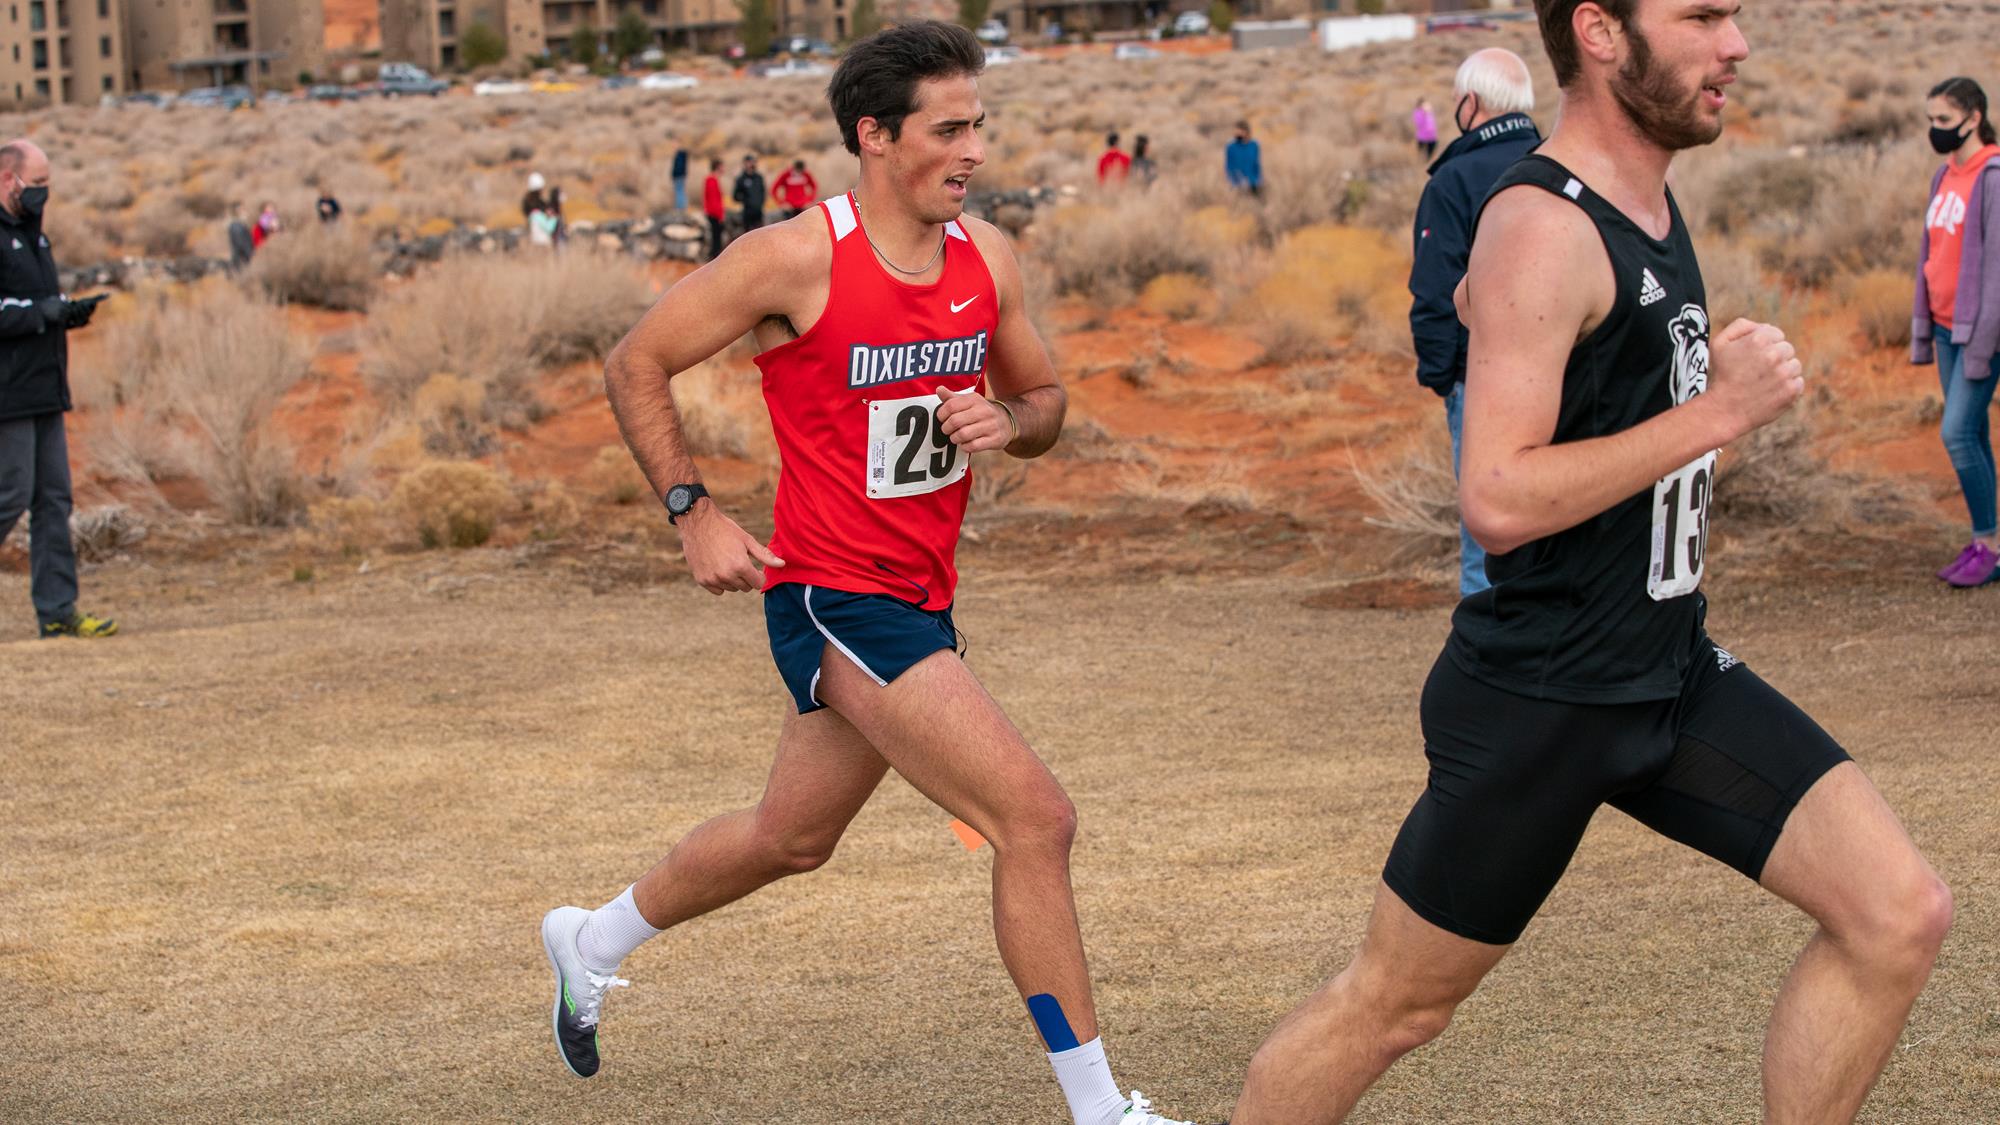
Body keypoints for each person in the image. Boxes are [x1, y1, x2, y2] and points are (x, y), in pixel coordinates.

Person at [1233, 3, 1952, 1122]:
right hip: (1542, 700)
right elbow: (1497, 496)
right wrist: (1717, 414)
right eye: (1701, 16)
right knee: (1392, 1008)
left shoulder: (1638, 202)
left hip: (1669, 673)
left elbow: (1520, 326)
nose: (1735, 45)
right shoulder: (1542, 221)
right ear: (1600, 33)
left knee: (1895, 914)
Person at [542, 22, 1194, 1125]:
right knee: (1034, 821)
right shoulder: (796, 258)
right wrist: (691, 510)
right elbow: (635, 359)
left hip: (920, 595)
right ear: (874, 135)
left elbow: (1044, 403)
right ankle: (1101, 1113)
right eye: (948, 128)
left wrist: (1009, 419)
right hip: (831, 594)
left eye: (978, 124)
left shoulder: (986, 256)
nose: (972, 148)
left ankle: (589, 936)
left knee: (788, 838)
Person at [1408, 48, 1541, 598]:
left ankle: (1483, 674)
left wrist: (1442, 374)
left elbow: (1436, 287)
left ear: (1472, 103)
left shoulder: (1454, 179)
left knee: (1485, 534)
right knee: (1552, 524)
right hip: (1570, 374)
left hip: (1481, 379)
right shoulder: (1562, 164)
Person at [0, 140, 115, 639]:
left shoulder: (34, 236)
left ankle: (58, 610)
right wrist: (43, 313)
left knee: (53, 499)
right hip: (8, 392)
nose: (45, 192)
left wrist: (65, 312)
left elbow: (34, 302)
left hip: (45, 386)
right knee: (10, 496)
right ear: (10, 179)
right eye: (39, 182)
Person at [1912, 76, 2000, 587]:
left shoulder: (1992, 177)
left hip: (1977, 331)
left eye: (1944, 121)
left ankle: (1987, 543)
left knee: (1957, 434)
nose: (1936, 130)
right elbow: (1933, 251)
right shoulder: (1945, 175)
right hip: (1945, 327)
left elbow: (1995, 272)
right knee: (1974, 434)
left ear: (1973, 117)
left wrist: (1982, 342)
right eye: (1931, 121)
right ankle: (1986, 541)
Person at [1225, 119, 1261, 196]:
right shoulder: (1231, 146)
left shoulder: (1254, 145)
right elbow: (1229, 166)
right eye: (1235, 131)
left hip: (1253, 183)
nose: (1236, 133)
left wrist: (1258, 180)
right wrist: (1233, 182)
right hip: (1237, 184)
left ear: (1246, 131)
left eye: (1239, 130)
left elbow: (1256, 164)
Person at [732, 153, 766, 233]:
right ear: (745, 163)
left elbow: (762, 192)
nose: (752, 164)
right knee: (747, 234)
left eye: (754, 162)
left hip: (759, 212)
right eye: (750, 162)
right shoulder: (741, 179)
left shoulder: (759, 177)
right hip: (747, 213)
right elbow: (735, 196)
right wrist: (746, 200)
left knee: (760, 233)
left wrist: (761, 202)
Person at [702, 157, 726, 260]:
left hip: (713, 213)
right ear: (718, 167)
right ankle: (714, 259)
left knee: (716, 238)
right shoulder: (711, 180)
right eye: (722, 166)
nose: (724, 168)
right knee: (716, 239)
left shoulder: (713, 180)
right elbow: (713, 200)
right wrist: (720, 215)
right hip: (714, 214)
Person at [226, 202, 255, 272]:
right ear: (236, 212)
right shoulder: (236, 226)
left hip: (243, 259)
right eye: (242, 209)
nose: (245, 211)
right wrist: (251, 255)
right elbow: (241, 245)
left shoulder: (240, 224)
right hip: (242, 261)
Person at [671, 144, 690, 212]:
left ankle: (680, 207)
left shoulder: (679, 156)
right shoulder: (682, 156)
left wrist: (674, 175)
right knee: (680, 191)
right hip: (680, 176)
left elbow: (678, 167)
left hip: (679, 176)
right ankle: (682, 206)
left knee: (679, 192)